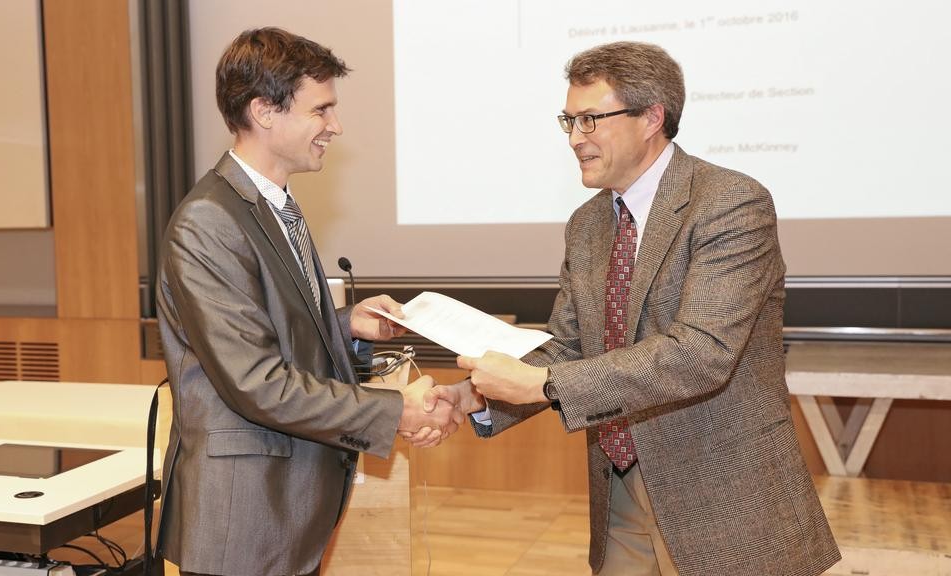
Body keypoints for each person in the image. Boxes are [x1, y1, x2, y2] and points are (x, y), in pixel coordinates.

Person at [429, 42, 841, 576]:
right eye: (569, 121)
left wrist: (544, 384)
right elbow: (567, 345)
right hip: (617, 487)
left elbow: (701, 352)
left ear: (651, 117)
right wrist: (473, 395)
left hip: (721, 492)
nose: (576, 139)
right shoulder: (588, 223)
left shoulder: (730, 202)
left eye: (591, 120)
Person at [156, 27, 456, 576]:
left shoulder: (270, 206)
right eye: (322, 110)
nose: (335, 127)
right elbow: (256, 383)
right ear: (265, 111)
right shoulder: (210, 222)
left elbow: (270, 331)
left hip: (284, 510)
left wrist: (345, 327)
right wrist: (396, 412)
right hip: (245, 520)